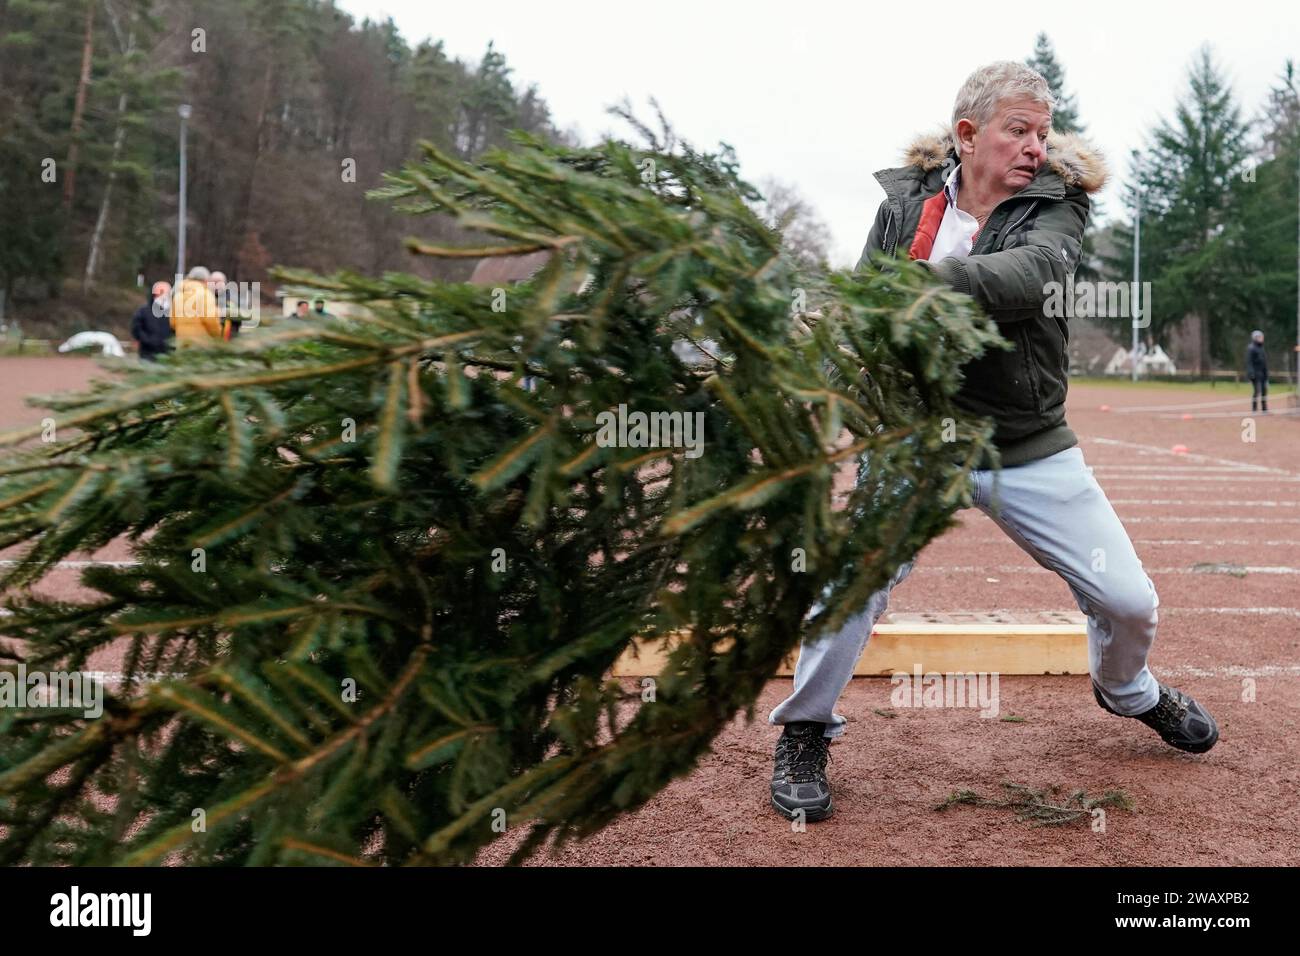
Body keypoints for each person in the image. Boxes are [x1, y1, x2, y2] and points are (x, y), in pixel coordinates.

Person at [768, 61, 1219, 823]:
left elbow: (1031, 277)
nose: (1037, 147)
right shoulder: (903, 206)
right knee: (849, 585)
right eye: (1019, 130)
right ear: (968, 135)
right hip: (913, 438)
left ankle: (1129, 691)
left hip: (1025, 440)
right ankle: (805, 730)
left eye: (1043, 132)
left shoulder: (1057, 205)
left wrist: (913, 288)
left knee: (1128, 600)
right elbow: (866, 303)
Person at [170, 265, 222, 345]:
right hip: (201, 346)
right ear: (205, 280)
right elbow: (211, 321)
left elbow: (172, 323)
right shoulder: (206, 294)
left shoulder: (178, 296)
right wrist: (218, 335)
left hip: (182, 344)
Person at [130, 281, 173, 361]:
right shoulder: (143, 311)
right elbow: (136, 329)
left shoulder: (173, 312)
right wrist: (148, 340)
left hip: (168, 356)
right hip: (147, 354)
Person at [1246, 330, 1268, 413]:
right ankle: (1254, 409)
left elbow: (1264, 363)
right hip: (1255, 374)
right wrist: (1251, 374)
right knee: (1256, 391)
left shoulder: (1261, 348)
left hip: (1262, 373)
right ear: (1255, 338)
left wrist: (1266, 374)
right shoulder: (1251, 348)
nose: (1262, 339)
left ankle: (1264, 409)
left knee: (1264, 391)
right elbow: (1249, 362)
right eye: (1260, 337)